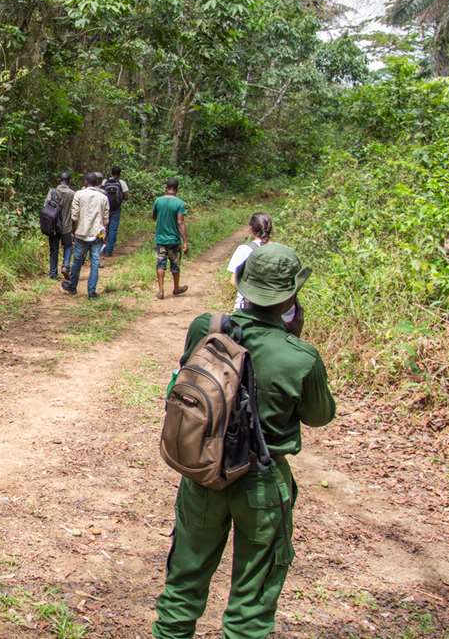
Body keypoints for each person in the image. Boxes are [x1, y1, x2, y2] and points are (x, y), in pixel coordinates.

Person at [151, 244, 335, 639]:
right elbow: (320, 416)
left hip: (204, 471)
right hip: (263, 483)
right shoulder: (301, 356)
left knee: (184, 580)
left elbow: (192, 373)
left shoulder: (207, 327)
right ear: (289, 296)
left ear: (244, 285)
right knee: (252, 601)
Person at [227, 213, 302, 335]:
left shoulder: (244, 249)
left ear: (250, 229)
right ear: (270, 229)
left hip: (247, 311)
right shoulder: (281, 251)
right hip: (278, 311)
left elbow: (233, 281)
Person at [62, 172, 109, 298]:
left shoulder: (79, 194)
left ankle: (72, 287)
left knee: (77, 261)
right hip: (97, 235)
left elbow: (74, 216)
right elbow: (106, 220)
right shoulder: (103, 197)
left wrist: (73, 231)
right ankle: (91, 291)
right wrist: (105, 235)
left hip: (81, 234)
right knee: (95, 263)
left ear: (86, 182)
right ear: (97, 183)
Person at [152, 178, 189, 300]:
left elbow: (154, 217)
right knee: (175, 265)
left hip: (160, 239)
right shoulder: (180, 203)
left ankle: (161, 291)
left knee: (160, 264)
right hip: (173, 240)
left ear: (165, 188)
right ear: (177, 189)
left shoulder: (158, 201)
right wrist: (185, 241)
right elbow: (180, 222)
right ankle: (176, 288)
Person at [45, 172, 76, 279]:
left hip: (53, 226)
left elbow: (46, 206)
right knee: (68, 246)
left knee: (54, 249)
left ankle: (53, 273)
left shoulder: (52, 192)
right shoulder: (73, 194)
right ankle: (66, 266)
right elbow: (75, 211)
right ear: (69, 181)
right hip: (67, 226)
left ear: (60, 180)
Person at [101, 166, 129, 257]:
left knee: (103, 228)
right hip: (116, 209)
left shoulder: (105, 182)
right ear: (119, 174)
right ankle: (109, 251)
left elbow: (101, 192)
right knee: (113, 229)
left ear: (111, 173)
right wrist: (122, 199)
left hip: (105, 208)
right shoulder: (121, 182)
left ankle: (101, 249)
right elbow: (126, 195)